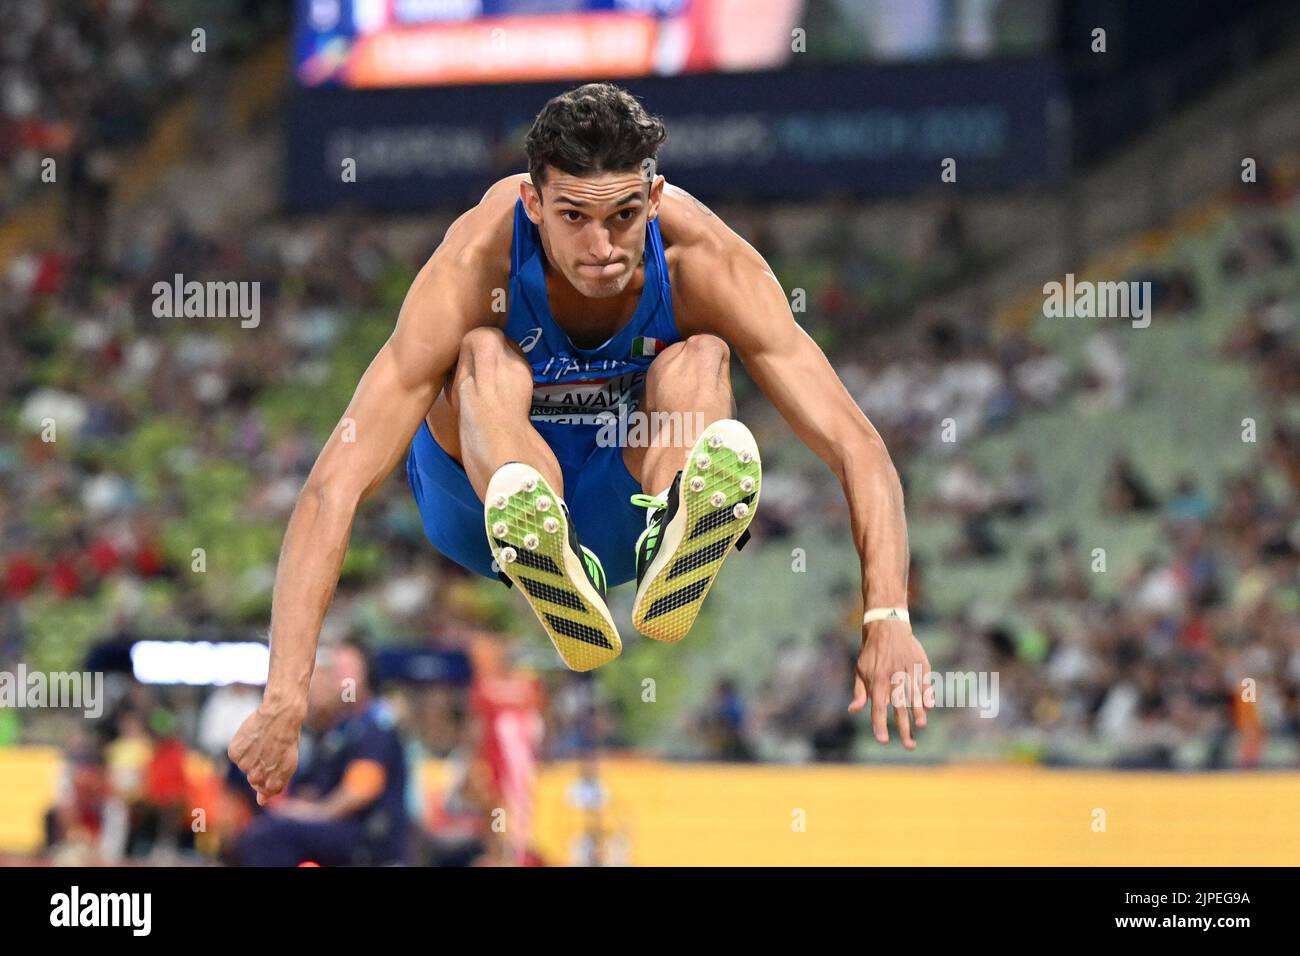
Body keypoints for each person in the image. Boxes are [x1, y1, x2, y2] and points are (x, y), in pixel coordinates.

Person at [231, 82, 928, 806]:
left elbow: (858, 444)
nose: (602, 247)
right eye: (574, 218)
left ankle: (672, 522)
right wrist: (284, 695)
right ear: (533, 206)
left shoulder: (705, 261)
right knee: (481, 353)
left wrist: (887, 616)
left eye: (625, 216)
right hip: (476, 504)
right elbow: (333, 484)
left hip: (620, 498)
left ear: (654, 198)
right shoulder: (476, 264)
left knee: (702, 358)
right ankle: (533, 527)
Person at [235, 644, 409, 866]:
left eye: (346, 669)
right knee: (259, 828)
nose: (336, 677)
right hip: (338, 828)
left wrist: (315, 812)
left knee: (270, 837)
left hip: (368, 838)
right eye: (333, 669)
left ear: (367, 675)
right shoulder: (337, 729)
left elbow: (360, 791)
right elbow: (311, 787)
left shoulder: (376, 726)